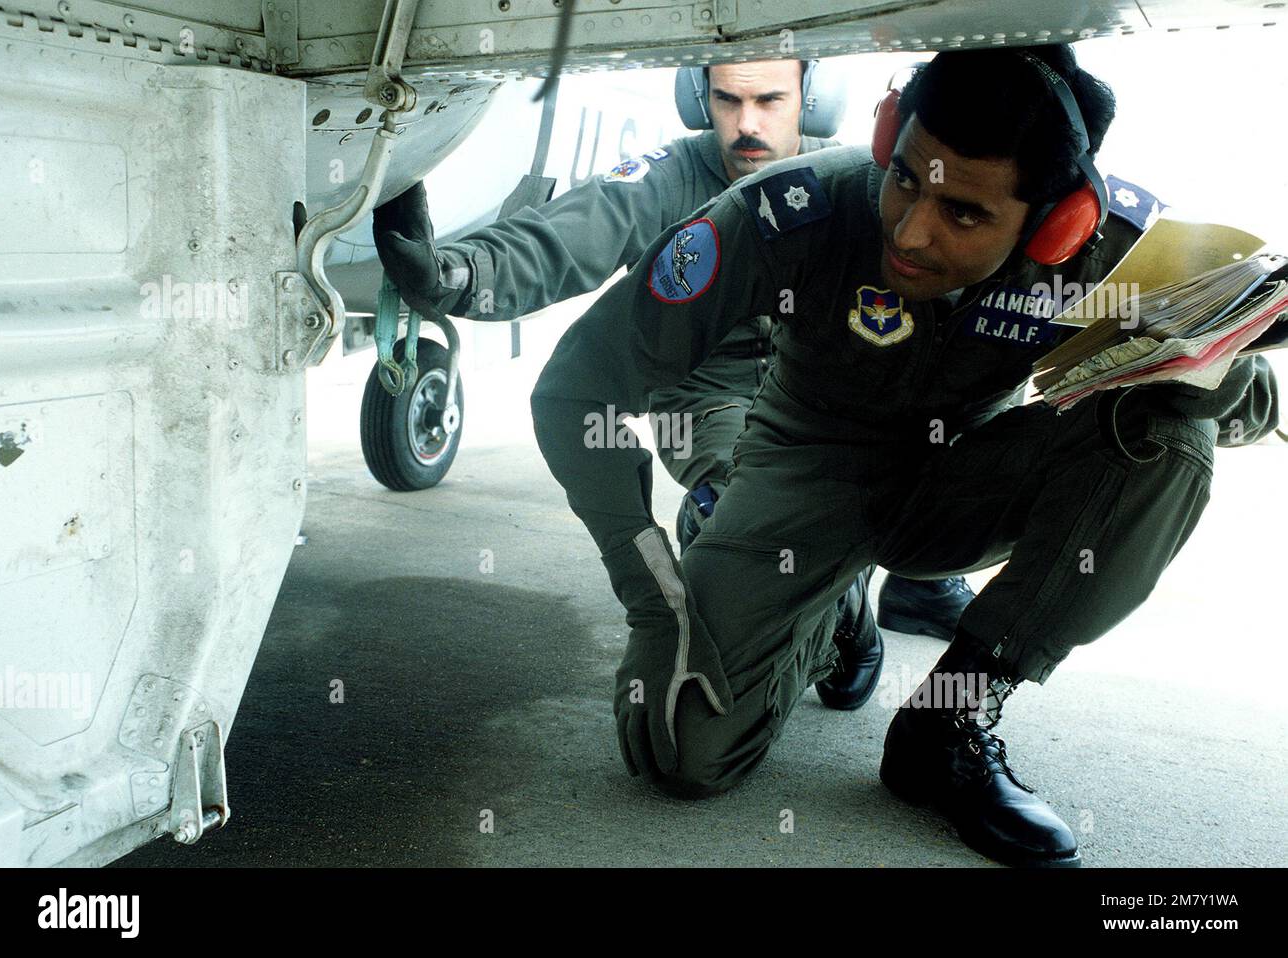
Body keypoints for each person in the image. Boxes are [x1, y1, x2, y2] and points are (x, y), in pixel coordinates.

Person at [526, 45, 1280, 867]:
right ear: (889, 137)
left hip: (963, 480)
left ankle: (949, 721)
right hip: (806, 467)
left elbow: (1249, 414)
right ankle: (833, 613)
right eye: (908, 179)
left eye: (964, 214)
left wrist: (1214, 359)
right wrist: (653, 600)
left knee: (1166, 436)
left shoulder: (1115, 250)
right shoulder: (791, 212)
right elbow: (575, 391)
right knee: (680, 749)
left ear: (1056, 226)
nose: (911, 231)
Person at [373, 58, 973, 715]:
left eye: (770, 100)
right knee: (746, 503)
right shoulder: (669, 175)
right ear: (699, 97)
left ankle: (873, 594)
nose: (746, 124)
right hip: (706, 395)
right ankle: (832, 612)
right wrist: (456, 274)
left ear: (813, 99)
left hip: (823, 393)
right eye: (727, 100)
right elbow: (570, 234)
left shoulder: (859, 182)